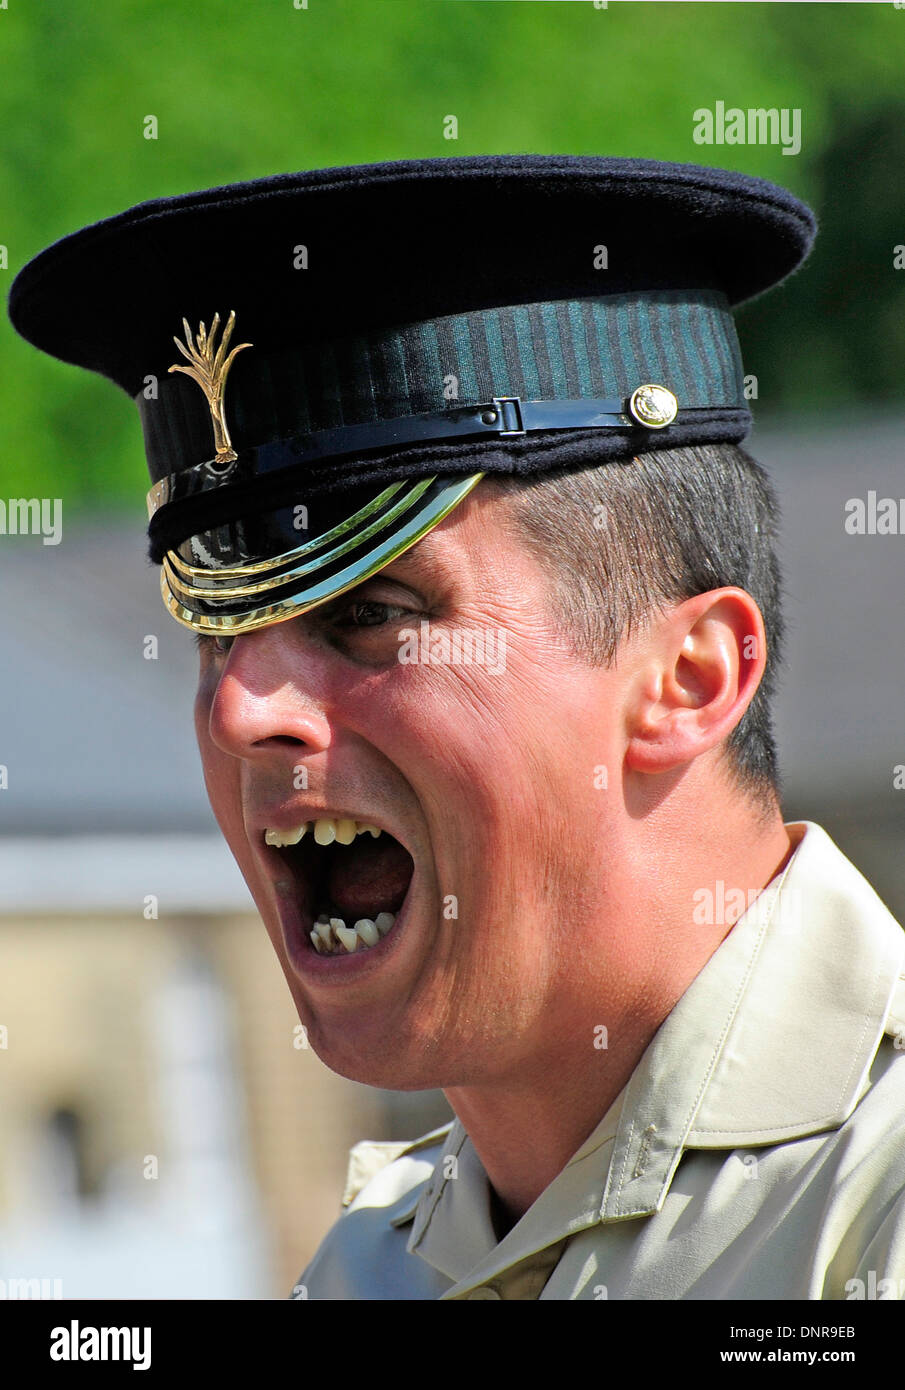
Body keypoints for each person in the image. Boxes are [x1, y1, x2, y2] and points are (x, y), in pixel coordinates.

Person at [9, 154, 905, 1301]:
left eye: (372, 616)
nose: (241, 710)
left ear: (685, 679)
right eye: (217, 636)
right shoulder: (366, 1267)